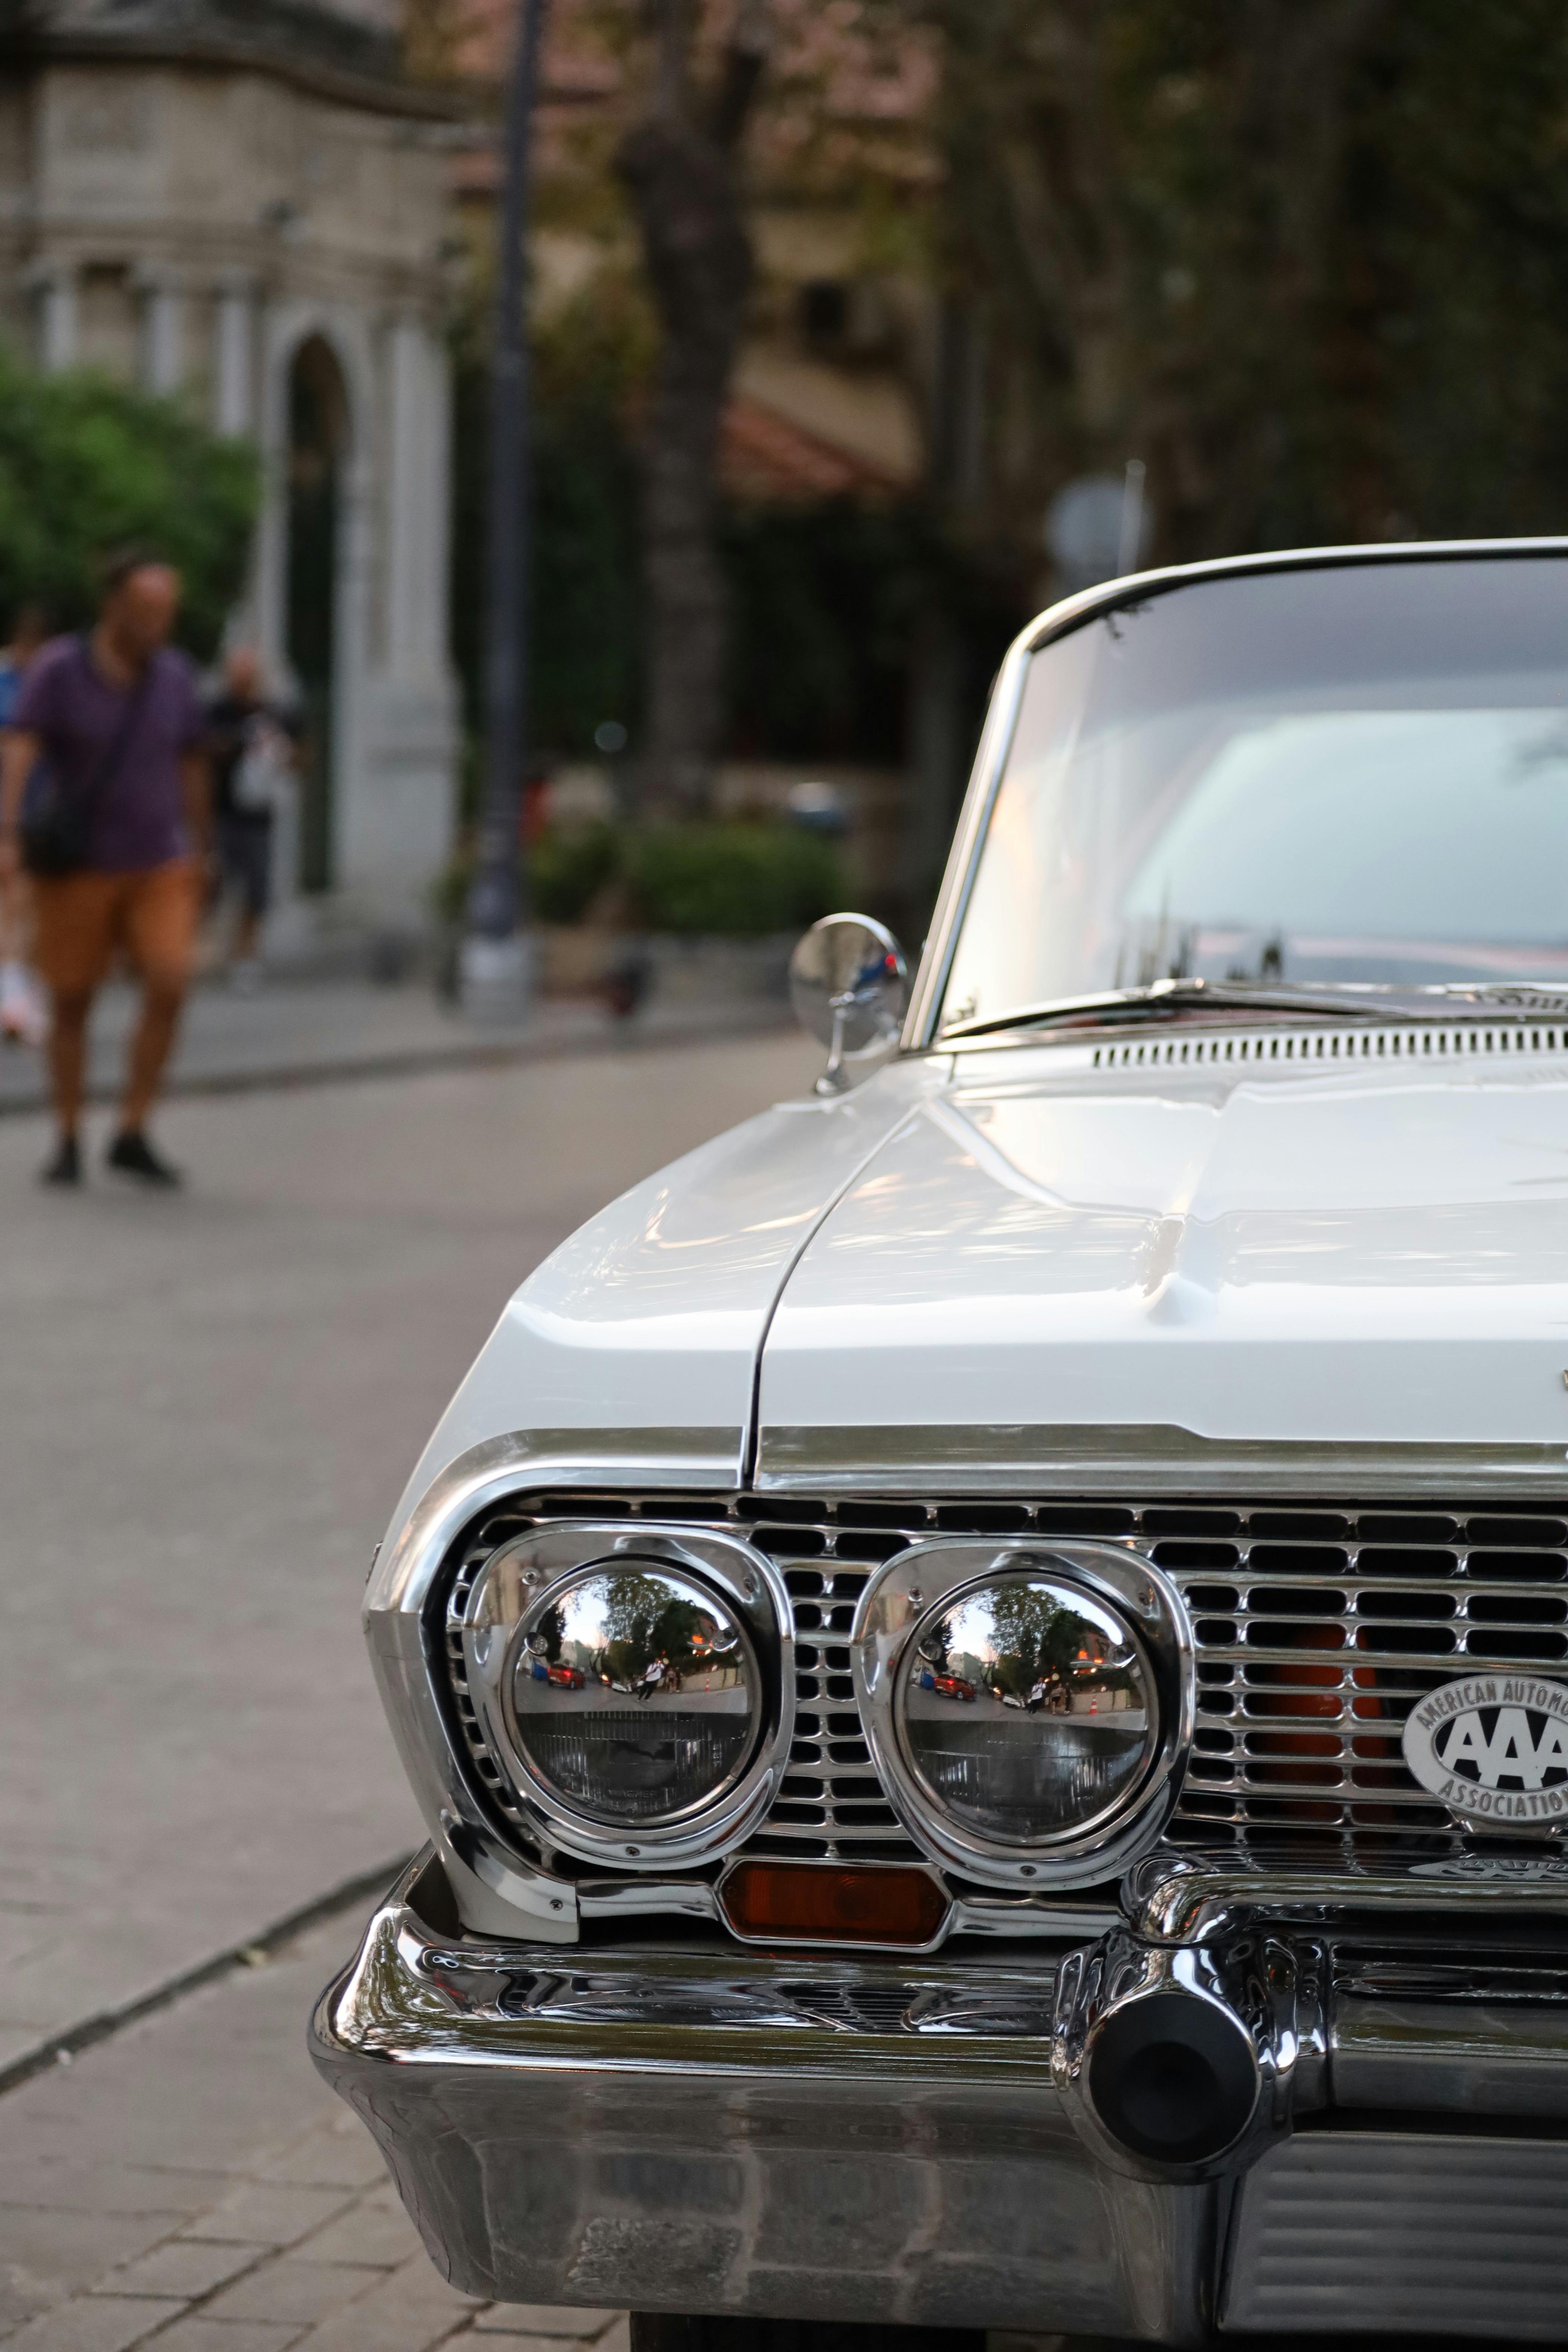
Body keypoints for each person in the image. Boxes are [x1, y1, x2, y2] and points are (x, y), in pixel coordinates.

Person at [0, 551, 211, 1188]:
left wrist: (203, 846)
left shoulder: (175, 676)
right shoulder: (61, 669)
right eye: (147, 611)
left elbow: (193, 760)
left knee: (171, 979)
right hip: (79, 864)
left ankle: (132, 1128)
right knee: (71, 1002)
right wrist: (8, 832)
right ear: (113, 606)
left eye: (166, 613)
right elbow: (23, 747)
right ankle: (68, 1135)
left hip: (159, 860)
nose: (158, 625)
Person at [205, 647, 300, 990]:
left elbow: (298, 755)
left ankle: (246, 958)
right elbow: (202, 752)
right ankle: (209, 952)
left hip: (259, 816)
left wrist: (278, 751)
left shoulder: (272, 713)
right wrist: (236, 744)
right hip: (222, 813)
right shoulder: (217, 711)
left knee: (256, 889)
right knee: (214, 887)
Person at [0, 604, 50, 1046]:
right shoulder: (5, 683)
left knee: (27, 901)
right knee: (12, 898)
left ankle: (19, 991)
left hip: (41, 809)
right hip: (10, 809)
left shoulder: (46, 684)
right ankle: (12, 991)